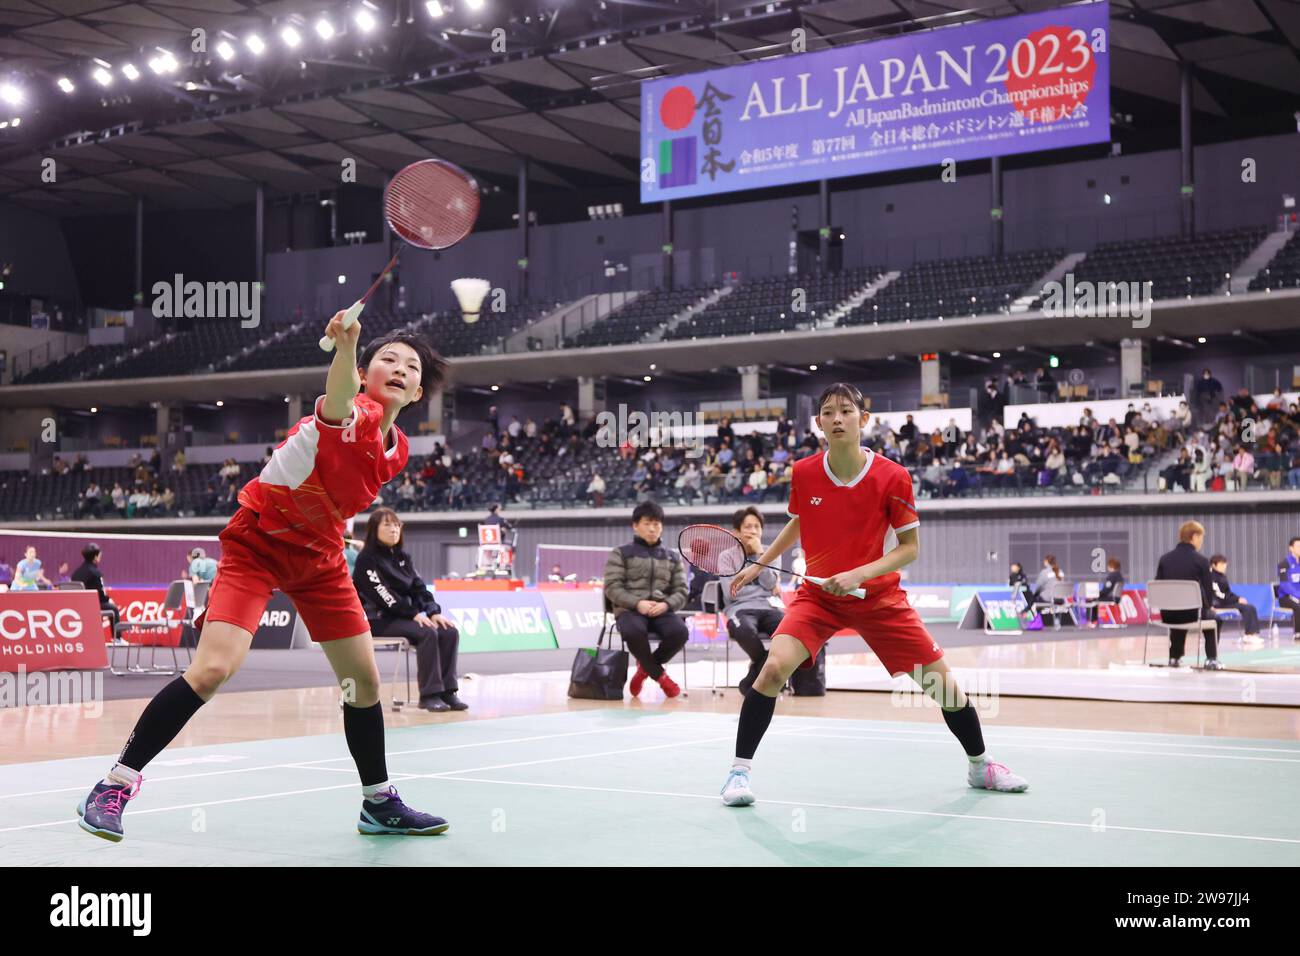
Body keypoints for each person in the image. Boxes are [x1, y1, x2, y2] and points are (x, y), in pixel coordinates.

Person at [75, 315, 451, 843]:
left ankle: (378, 802)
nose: (400, 368)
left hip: (319, 558)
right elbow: (339, 398)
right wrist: (346, 349)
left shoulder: (400, 448)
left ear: (415, 394)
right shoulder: (354, 410)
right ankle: (114, 784)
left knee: (362, 682)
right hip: (258, 545)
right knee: (212, 670)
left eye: (411, 367)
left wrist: (353, 356)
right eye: (388, 359)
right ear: (366, 373)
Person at [721, 383, 1027, 807]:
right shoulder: (805, 471)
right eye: (828, 412)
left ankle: (982, 765)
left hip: (878, 597)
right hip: (818, 596)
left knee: (943, 686)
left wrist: (857, 574)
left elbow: (909, 549)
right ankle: (738, 773)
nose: (838, 418)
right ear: (819, 424)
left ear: (864, 420)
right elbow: (798, 521)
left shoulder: (893, 476)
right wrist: (758, 563)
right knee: (772, 669)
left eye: (847, 411)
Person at [353, 508, 465, 713]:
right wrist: (412, 614)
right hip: (375, 619)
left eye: (397, 525)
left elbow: (418, 587)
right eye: (387, 525)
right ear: (373, 530)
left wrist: (433, 612)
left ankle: (448, 691)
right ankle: (429, 694)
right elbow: (382, 594)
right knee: (427, 632)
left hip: (403, 617)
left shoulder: (403, 557)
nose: (394, 530)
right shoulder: (366, 559)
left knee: (448, 631)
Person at [602, 501, 689, 698]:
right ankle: (661, 677)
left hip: (661, 609)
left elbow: (682, 590)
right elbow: (612, 587)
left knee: (680, 632)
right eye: (647, 523)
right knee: (633, 631)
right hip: (630, 609)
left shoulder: (672, 557)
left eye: (657, 524)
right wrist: (637, 603)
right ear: (635, 525)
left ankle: (644, 670)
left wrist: (666, 604)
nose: (652, 529)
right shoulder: (621, 553)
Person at [721, 506, 785, 696]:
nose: (753, 531)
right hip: (740, 610)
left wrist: (759, 557)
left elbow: (770, 581)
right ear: (737, 532)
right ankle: (763, 667)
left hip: (769, 607)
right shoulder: (726, 557)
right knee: (745, 631)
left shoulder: (772, 552)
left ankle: (751, 679)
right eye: (748, 527)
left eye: (757, 526)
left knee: (787, 632)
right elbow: (731, 593)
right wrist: (764, 589)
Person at [1154, 520, 1220, 669]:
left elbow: (1159, 586)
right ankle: (1211, 659)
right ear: (1195, 537)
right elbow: (1208, 593)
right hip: (1191, 614)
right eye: (1201, 538)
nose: (1201, 542)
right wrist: (1209, 607)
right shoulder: (1202, 561)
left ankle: (1174, 657)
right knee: (1214, 618)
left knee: (1178, 611)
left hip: (1168, 615)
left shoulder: (1164, 559)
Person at [1209, 554, 1260, 644]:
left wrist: (1238, 598)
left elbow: (1228, 593)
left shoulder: (1222, 576)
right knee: (1247, 608)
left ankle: (1252, 634)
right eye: (1221, 564)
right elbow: (1220, 596)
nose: (1224, 566)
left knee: (1250, 607)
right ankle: (1248, 635)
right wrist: (1236, 600)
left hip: (1226, 602)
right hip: (1219, 604)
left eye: (1225, 564)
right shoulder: (1212, 577)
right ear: (1214, 565)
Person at [71, 544, 120, 631]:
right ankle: (118, 639)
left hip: (76, 605)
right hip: (92, 604)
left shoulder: (75, 573)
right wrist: (108, 599)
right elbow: (101, 595)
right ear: (95, 557)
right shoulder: (96, 573)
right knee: (114, 608)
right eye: (100, 555)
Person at [1278, 537, 1300, 639]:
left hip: (1298, 595)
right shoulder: (1284, 564)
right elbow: (1284, 585)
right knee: (1298, 605)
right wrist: (1298, 595)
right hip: (1286, 597)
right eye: (1298, 546)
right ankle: (1298, 633)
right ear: (1291, 548)